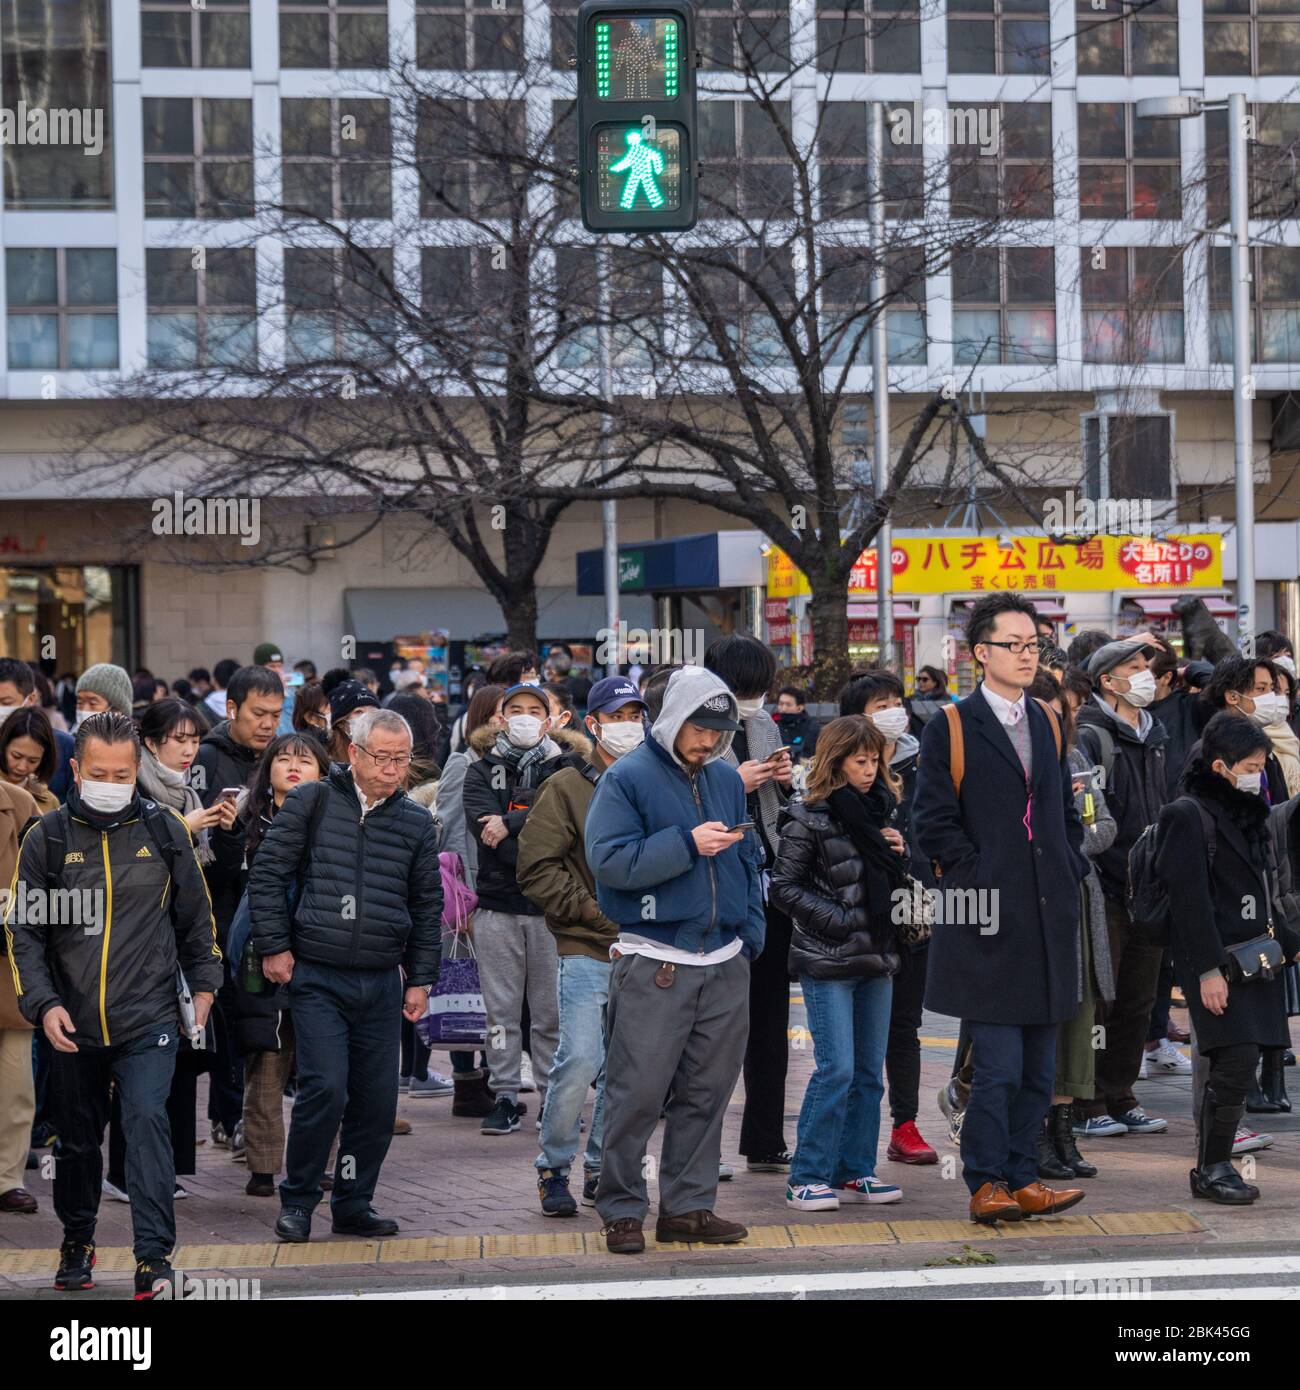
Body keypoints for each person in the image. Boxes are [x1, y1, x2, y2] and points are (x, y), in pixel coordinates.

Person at [4, 712, 222, 1297]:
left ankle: (153, 1257)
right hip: (70, 1022)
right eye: (98, 771)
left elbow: (196, 921)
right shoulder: (47, 837)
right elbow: (25, 932)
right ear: (76, 769)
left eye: (122, 773)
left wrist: (204, 985)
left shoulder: (165, 830)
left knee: (147, 1123)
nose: (110, 781)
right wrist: (43, 1004)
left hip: (147, 1017)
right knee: (77, 1140)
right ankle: (77, 1240)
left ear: (136, 771)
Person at [912, 593, 1089, 1225]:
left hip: (1047, 913)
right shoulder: (950, 724)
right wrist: (979, 876)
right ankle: (986, 1181)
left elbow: (1062, 811)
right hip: (986, 918)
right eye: (1013, 644)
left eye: (1034, 643)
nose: (1026, 654)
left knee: (1041, 1067)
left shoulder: (1046, 717)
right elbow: (931, 823)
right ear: (979, 653)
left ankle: (1023, 1175)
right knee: (997, 1069)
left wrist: (1072, 864)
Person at [586, 666, 764, 1255]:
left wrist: (749, 933)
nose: (707, 741)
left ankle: (688, 1206)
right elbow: (609, 863)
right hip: (654, 956)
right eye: (697, 727)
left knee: (708, 1091)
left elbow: (747, 857)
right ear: (670, 719)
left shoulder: (726, 780)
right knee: (636, 1092)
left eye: (717, 730)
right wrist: (687, 844)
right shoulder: (628, 777)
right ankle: (620, 1207)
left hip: (725, 956)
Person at [249, 708, 442, 1243]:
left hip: (381, 979)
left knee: (377, 1102)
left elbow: (428, 905)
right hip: (316, 973)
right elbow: (269, 872)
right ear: (353, 754)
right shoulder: (313, 801)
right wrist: (275, 946)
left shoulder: (416, 822)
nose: (391, 769)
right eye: (381, 757)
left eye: (401, 759)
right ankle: (300, 1201)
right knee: (325, 1091)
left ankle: (354, 1203)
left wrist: (421, 978)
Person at [1156, 712, 1300, 1204]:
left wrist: (1288, 940)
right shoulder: (1187, 814)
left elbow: (1261, 890)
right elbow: (1189, 902)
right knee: (1232, 1060)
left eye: (1262, 765)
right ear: (1220, 765)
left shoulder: (1249, 811)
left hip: (1257, 960)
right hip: (1220, 962)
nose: (1258, 774)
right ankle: (1211, 1166)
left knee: (1245, 1061)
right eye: (1250, 765)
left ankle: (1218, 1164)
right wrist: (1207, 971)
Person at [517, 676, 646, 1216]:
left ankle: (601, 1168)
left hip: (647, 949)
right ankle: (553, 1167)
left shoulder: (655, 781)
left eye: (637, 714)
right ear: (592, 724)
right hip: (586, 948)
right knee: (578, 1061)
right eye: (617, 716)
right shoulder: (566, 787)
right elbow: (537, 867)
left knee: (628, 1068)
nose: (630, 726)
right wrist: (597, 914)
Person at [771, 715, 910, 1210]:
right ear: (836, 761)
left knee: (871, 1072)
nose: (870, 771)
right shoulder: (806, 815)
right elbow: (782, 888)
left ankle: (856, 1170)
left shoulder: (882, 812)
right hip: (828, 958)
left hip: (878, 954)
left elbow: (887, 882)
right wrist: (839, 920)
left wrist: (899, 851)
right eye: (860, 761)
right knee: (836, 1069)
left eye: (875, 760)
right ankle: (806, 1175)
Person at [462, 682, 590, 1135]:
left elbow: (569, 827)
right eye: (514, 708)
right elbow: (485, 831)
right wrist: (533, 834)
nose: (523, 716)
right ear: (499, 717)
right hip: (497, 906)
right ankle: (503, 1094)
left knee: (550, 1012)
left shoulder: (570, 765)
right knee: (500, 1010)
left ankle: (554, 1098)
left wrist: (512, 821)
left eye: (535, 709)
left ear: (552, 718)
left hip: (551, 910)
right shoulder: (481, 769)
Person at [1071, 638, 1173, 1140]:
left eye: (1146, 667)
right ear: (1107, 680)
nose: (1145, 676)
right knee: (1101, 1000)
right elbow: (1090, 819)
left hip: (1150, 891)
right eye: (1134, 668)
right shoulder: (1091, 736)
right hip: (1107, 890)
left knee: (1139, 1000)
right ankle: (1087, 1102)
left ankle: (1122, 1093)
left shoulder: (1155, 734)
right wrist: (1119, 869)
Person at [704, 635, 796, 1175]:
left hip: (769, 880)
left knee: (770, 1018)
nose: (754, 700)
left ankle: (765, 1137)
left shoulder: (764, 725)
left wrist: (783, 782)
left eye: (761, 689)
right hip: (718, 883)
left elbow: (780, 808)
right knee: (712, 1025)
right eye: (746, 688)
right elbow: (682, 801)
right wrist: (732, 782)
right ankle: (702, 1145)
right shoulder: (693, 729)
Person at [840, 669, 938, 1165]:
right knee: (855, 1033)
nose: (893, 712)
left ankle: (906, 1124)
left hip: (914, 911)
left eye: (896, 701)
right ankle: (848, 1134)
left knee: (905, 1024)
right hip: (857, 918)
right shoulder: (839, 776)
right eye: (880, 705)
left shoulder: (928, 761)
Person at [1026, 670, 1116, 1181]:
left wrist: (1063, 849)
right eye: (1061, 712)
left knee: (1080, 1021)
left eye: (1069, 712)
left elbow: (1104, 824)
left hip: (1081, 898)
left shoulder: (1077, 760)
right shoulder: (1011, 764)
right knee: (1040, 1022)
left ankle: (1064, 1135)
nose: (1069, 720)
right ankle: (1035, 1134)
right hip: (1034, 907)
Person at [233, 732, 331, 1196]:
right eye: (284, 758)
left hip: (320, 955)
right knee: (266, 1063)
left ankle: (322, 1163)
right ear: (267, 767)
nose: (293, 766)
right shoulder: (241, 821)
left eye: (306, 760)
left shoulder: (335, 819)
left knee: (323, 1068)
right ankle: (263, 1166)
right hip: (259, 959)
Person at [193, 664, 286, 1151]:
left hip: (265, 909)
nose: (268, 723)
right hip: (219, 907)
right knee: (228, 1015)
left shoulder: (280, 758)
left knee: (254, 1019)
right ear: (232, 710)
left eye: (276, 713)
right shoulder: (207, 757)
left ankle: (245, 1118)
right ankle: (226, 1115)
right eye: (258, 713)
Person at [432, 683, 504, 1118]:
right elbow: (450, 833)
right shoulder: (463, 763)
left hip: (506, 893)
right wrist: (461, 900)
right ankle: (466, 1083)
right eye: (500, 712)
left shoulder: (519, 763)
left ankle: (493, 1080)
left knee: (495, 993)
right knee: (464, 984)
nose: (507, 719)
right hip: (471, 894)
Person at [387, 692, 455, 1100]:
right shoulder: (432, 774)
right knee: (420, 978)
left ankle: (404, 1070)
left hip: (388, 899)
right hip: (416, 895)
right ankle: (419, 1070)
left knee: (400, 982)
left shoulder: (383, 773)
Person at [0, 775, 39, 1215]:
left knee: (15, 1082)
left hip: (8, 967)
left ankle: (7, 1178)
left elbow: (48, 879)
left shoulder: (20, 804)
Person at [1, 706, 59, 813]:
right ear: (3, 746)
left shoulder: (50, 802)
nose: (22, 767)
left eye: (33, 761)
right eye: (16, 756)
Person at [326, 679, 379, 765]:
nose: (368, 716)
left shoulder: (387, 754)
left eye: (373, 711)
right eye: (359, 712)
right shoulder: (327, 762)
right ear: (341, 723)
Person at [253, 643, 298, 734]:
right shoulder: (253, 695)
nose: (277, 670)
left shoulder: (292, 695)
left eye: (280, 666)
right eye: (272, 666)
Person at [775, 686, 820, 763]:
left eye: (788, 705)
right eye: (781, 704)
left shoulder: (812, 728)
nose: (783, 708)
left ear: (799, 707)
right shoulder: (772, 726)